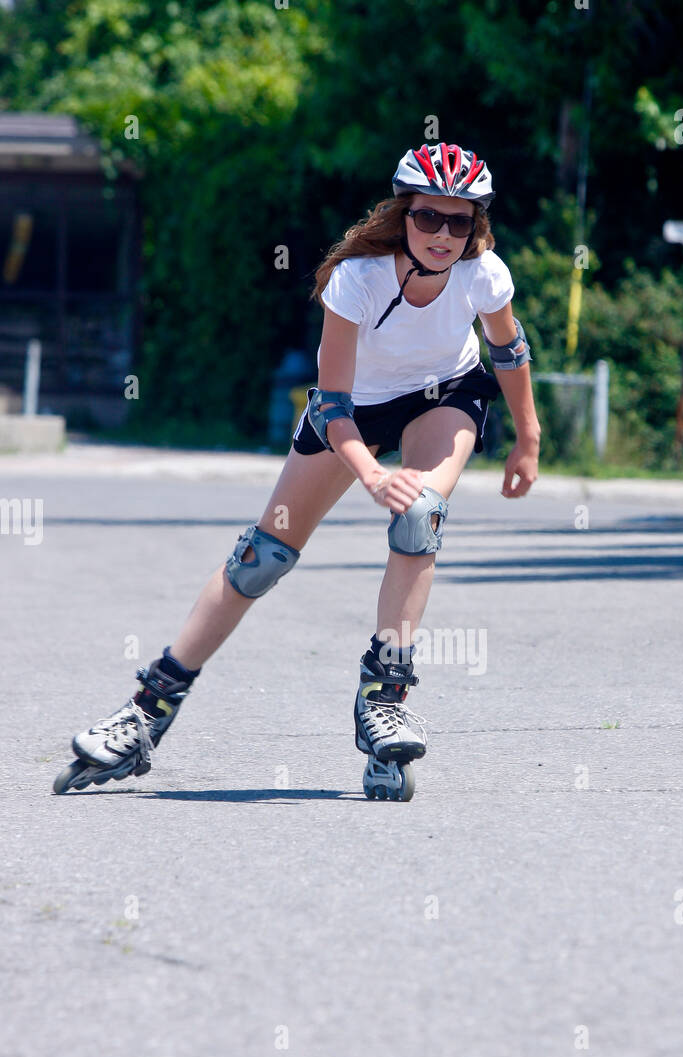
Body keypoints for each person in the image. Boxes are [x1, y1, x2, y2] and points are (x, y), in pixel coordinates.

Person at [54, 141, 541, 800]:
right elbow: (334, 401)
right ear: (404, 215)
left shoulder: (485, 274)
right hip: (351, 413)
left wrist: (528, 437)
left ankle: (385, 697)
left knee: (420, 514)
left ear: (475, 226)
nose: (443, 236)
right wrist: (369, 472)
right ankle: (144, 713)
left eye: (460, 222)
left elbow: (508, 350)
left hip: (444, 396)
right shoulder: (358, 281)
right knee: (263, 556)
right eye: (430, 218)